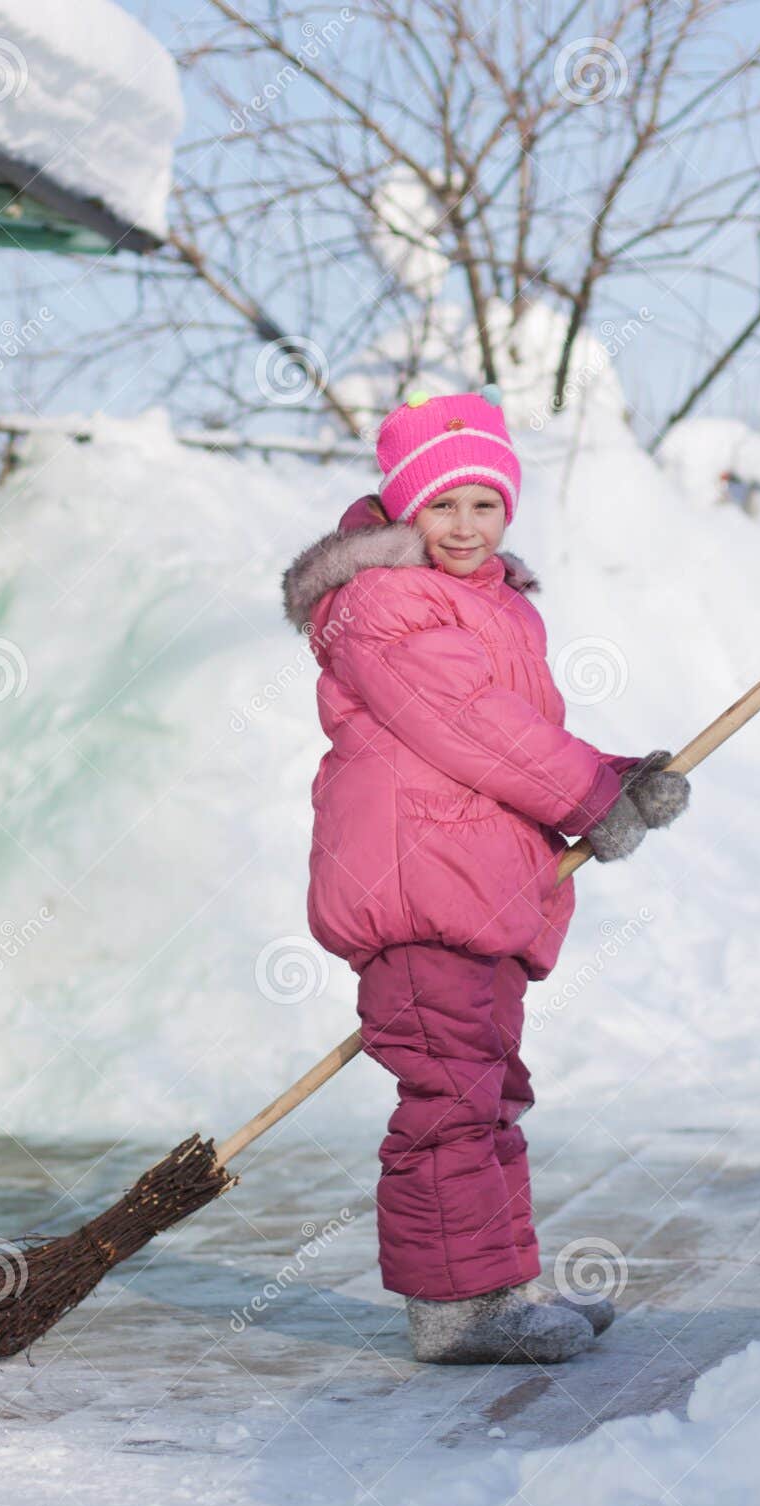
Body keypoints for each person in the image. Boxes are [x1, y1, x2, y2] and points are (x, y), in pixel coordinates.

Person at [281, 384, 689, 1365]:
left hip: (473, 889)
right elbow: (468, 727)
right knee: (450, 1105)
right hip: (417, 889)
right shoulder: (382, 601)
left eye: (485, 505)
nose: (465, 526)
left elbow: (518, 741)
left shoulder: (490, 603)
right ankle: (458, 1309)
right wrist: (590, 796)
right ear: (403, 507)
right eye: (442, 505)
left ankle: (501, 1287)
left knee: (485, 1093)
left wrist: (614, 779)